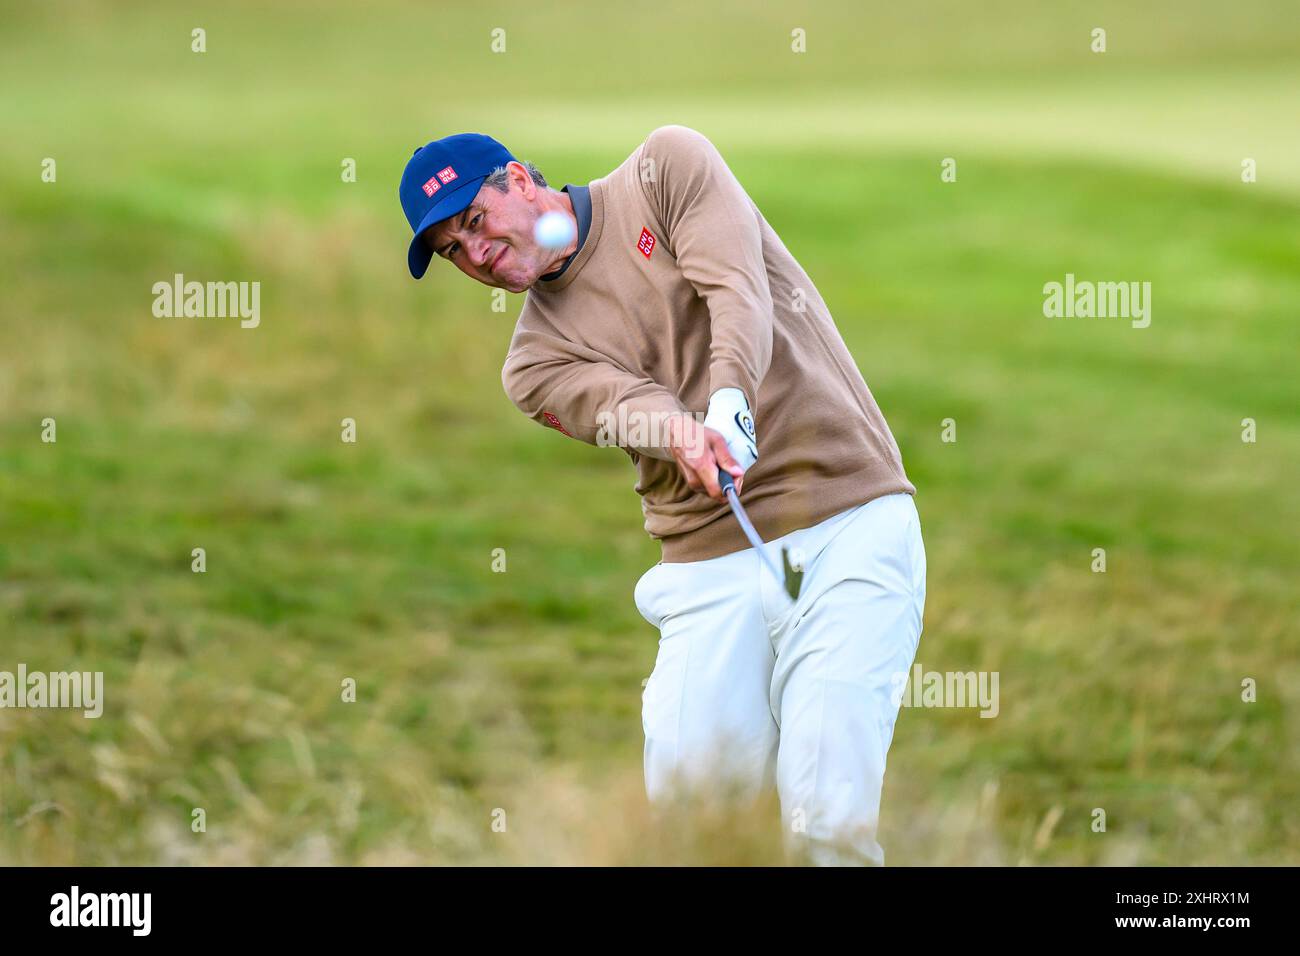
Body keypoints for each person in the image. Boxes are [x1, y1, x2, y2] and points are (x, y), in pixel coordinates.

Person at [398, 126, 926, 865]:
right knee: (692, 834)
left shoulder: (662, 170)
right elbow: (626, 407)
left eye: (475, 222)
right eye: (453, 250)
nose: (474, 254)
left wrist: (731, 398)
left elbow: (736, 289)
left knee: (826, 826)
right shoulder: (533, 364)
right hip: (707, 566)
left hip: (847, 519)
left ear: (519, 181)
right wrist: (686, 436)